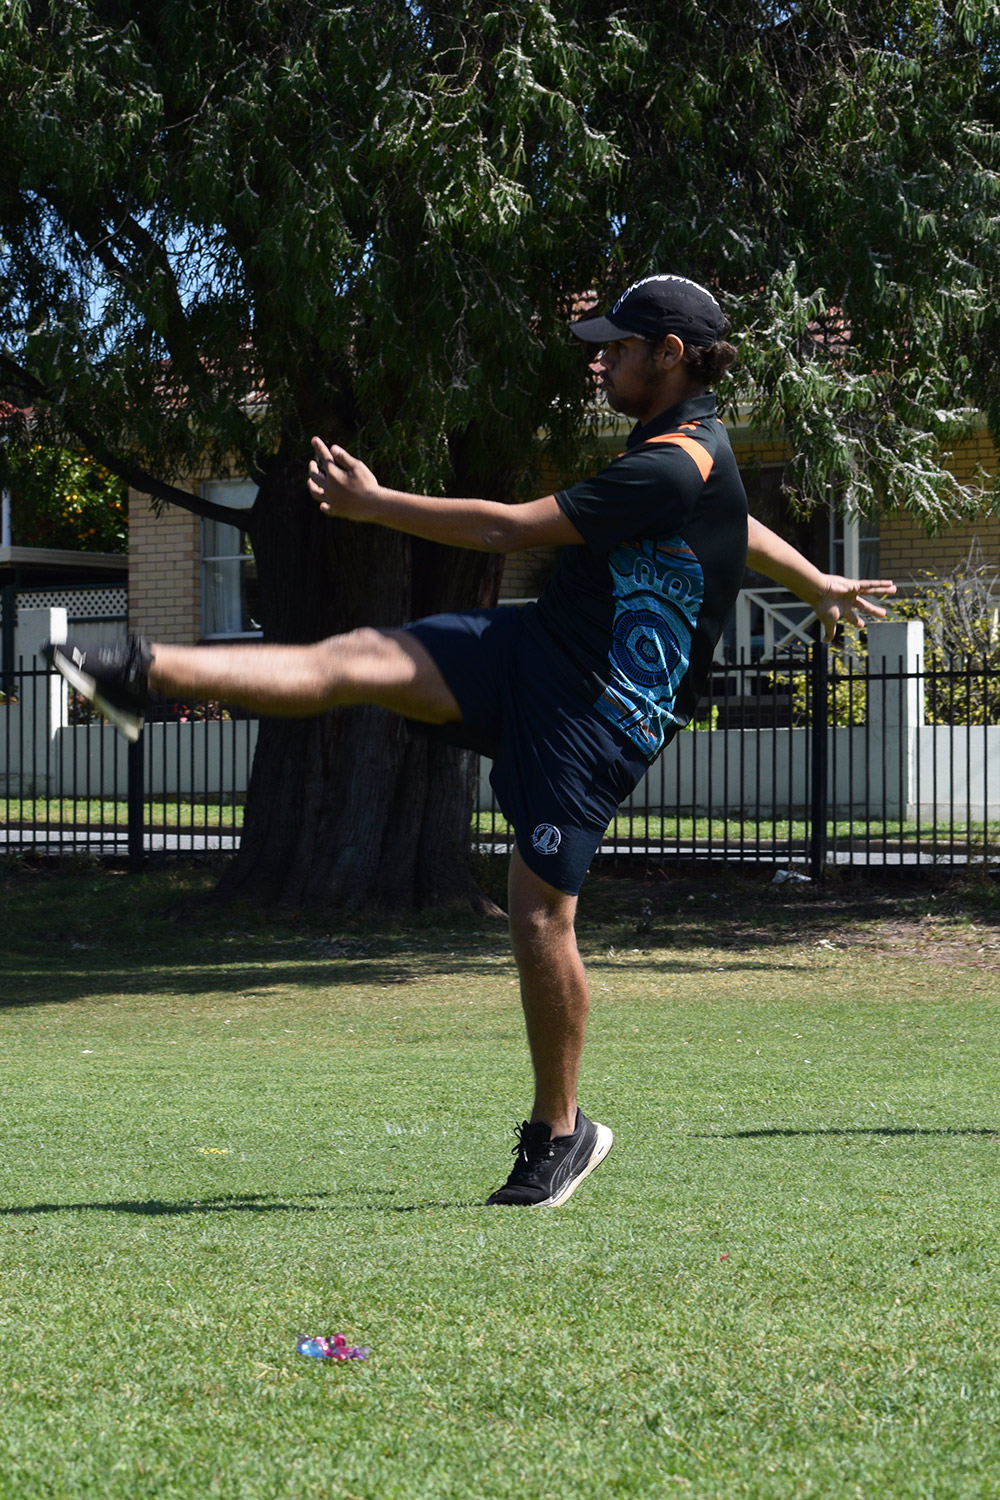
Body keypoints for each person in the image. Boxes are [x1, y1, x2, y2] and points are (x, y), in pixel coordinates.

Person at [49, 274, 895, 1208]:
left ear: (673, 355)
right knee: (360, 658)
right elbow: (733, 524)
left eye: (617, 345)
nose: (599, 358)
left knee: (538, 917)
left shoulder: (671, 464)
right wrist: (817, 575)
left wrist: (377, 505)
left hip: (597, 714)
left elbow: (508, 528)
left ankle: (561, 1132)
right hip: (532, 649)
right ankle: (134, 669)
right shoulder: (680, 452)